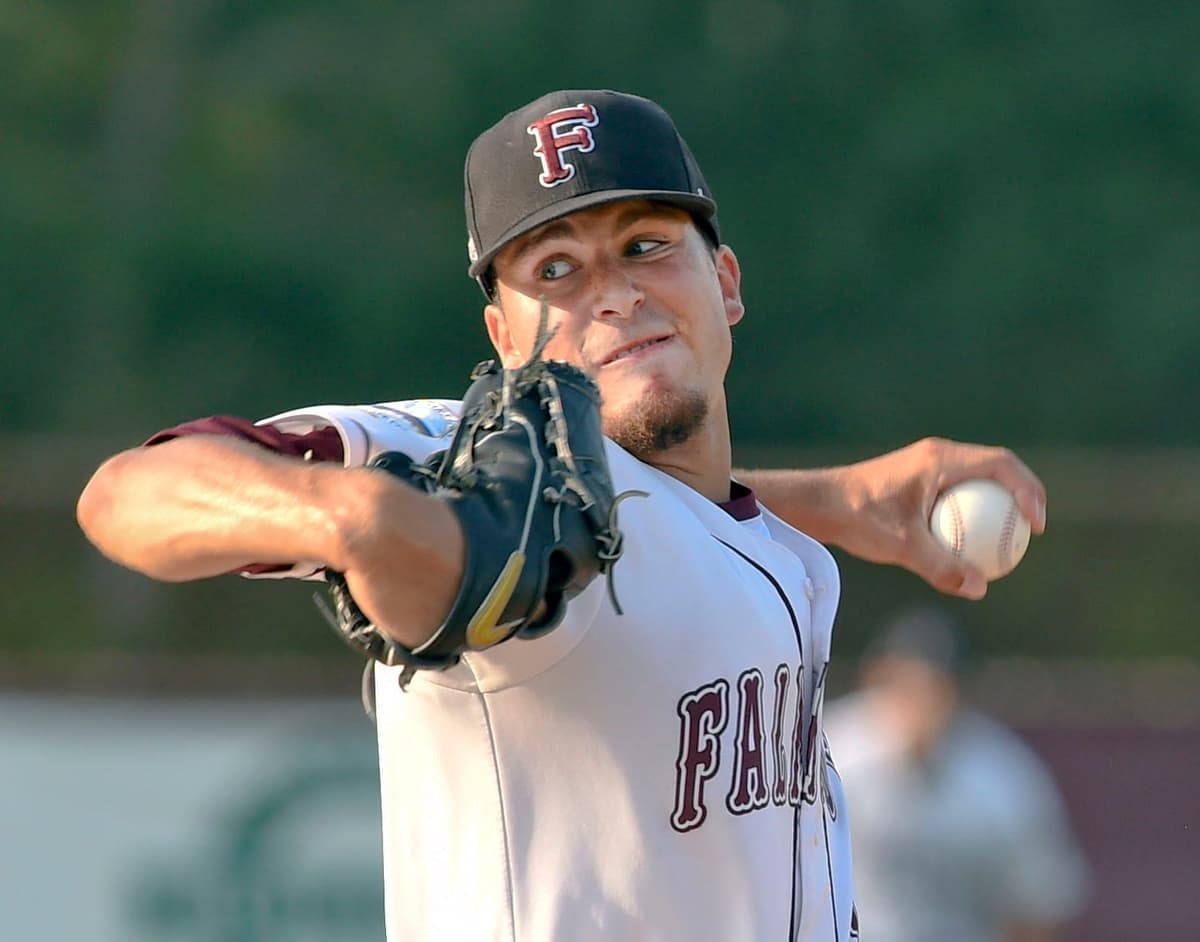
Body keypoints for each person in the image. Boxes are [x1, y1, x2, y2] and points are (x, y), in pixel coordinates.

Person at [77, 89, 1048, 941]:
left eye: (646, 246)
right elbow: (127, 494)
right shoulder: (468, 454)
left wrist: (830, 500)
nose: (614, 294)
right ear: (504, 341)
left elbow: (668, 522)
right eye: (554, 272)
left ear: (728, 282)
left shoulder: (785, 554)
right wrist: (355, 515)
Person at [824, 606, 1090, 942]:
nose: (918, 701)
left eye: (932, 686)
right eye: (904, 683)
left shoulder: (1002, 778)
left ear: (957, 693)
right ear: (876, 678)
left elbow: (1037, 906)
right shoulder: (834, 752)